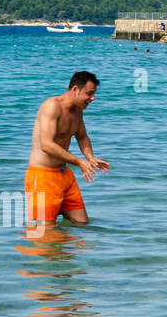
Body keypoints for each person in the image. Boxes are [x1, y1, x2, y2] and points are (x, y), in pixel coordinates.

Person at [25, 72, 110, 225]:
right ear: (75, 89)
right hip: (43, 175)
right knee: (45, 233)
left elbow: (82, 136)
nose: (93, 98)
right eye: (89, 94)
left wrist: (90, 158)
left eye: (94, 94)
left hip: (64, 175)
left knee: (81, 224)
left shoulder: (78, 110)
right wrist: (79, 161)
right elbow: (47, 144)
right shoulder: (52, 106)